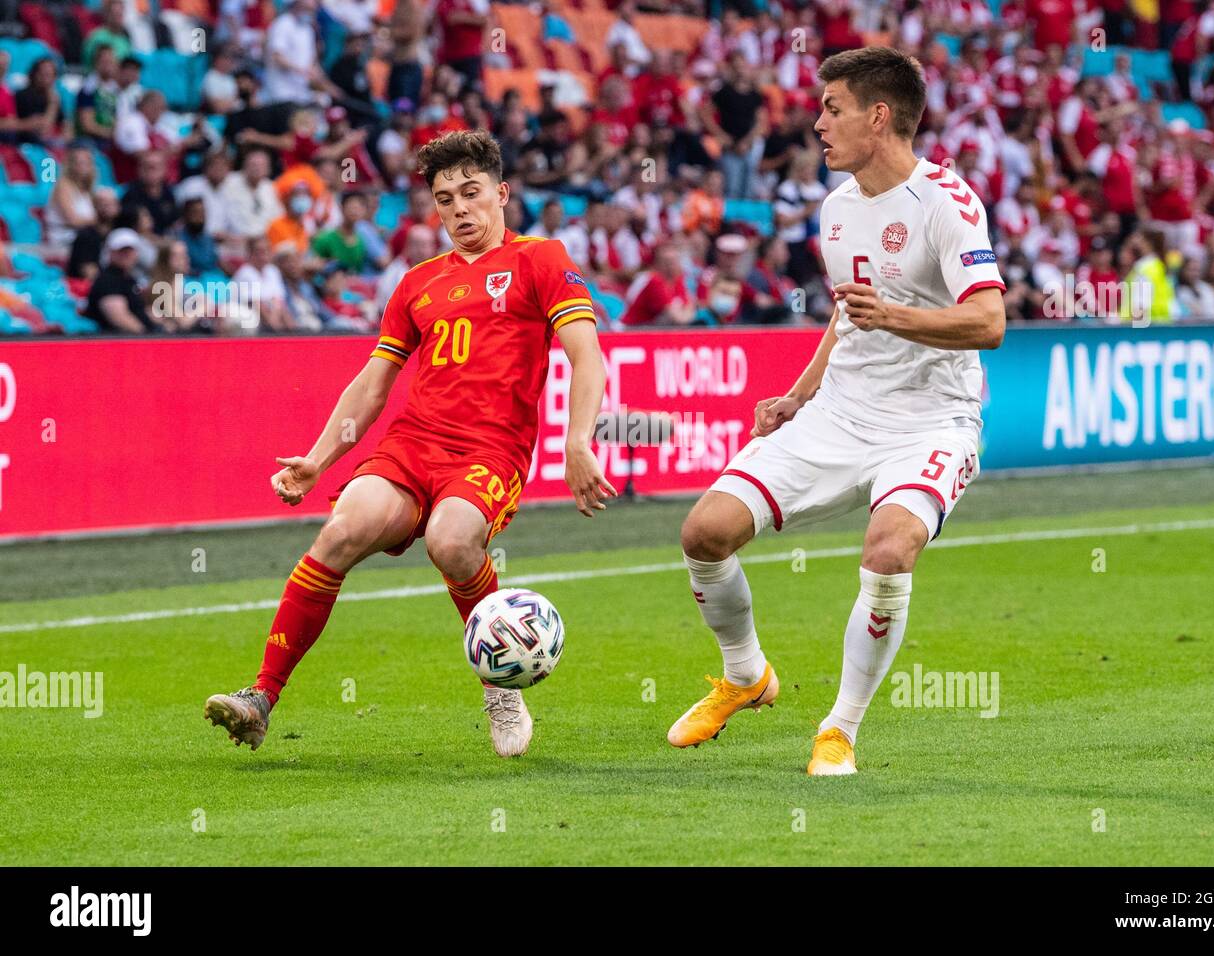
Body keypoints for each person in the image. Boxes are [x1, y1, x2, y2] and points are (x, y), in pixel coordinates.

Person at [202, 130, 614, 759]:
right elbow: (372, 385)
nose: (458, 209)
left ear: (501, 194)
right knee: (343, 529)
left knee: (451, 540)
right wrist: (317, 459)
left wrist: (577, 441)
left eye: (471, 193)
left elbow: (588, 357)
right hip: (411, 446)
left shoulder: (543, 259)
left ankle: (500, 686)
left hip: (489, 452)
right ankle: (261, 697)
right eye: (444, 199)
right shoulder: (418, 282)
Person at [668, 48, 1006, 776]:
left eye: (832, 108)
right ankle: (745, 675)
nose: (817, 123)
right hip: (839, 414)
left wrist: (892, 318)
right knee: (703, 533)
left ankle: (840, 728)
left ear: (878, 117)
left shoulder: (946, 202)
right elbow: (850, 317)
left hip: (930, 422)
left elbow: (988, 323)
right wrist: (799, 394)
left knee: (888, 553)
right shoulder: (837, 207)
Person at [84, 229, 157, 333]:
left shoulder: (129, 279)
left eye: (130, 250)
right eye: (121, 251)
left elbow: (139, 310)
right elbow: (120, 318)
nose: (126, 255)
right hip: (116, 341)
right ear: (110, 252)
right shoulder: (107, 280)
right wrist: (149, 335)